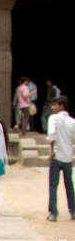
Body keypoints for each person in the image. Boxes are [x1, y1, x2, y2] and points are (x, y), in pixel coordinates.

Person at [46, 93, 75, 221]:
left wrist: (51, 151)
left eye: (55, 105)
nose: (53, 107)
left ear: (61, 106)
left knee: (53, 185)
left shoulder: (53, 118)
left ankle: (53, 213)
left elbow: (51, 135)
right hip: (68, 156)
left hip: (57, 155)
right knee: (69, 185)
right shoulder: (72, 121)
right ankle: (73, 211)